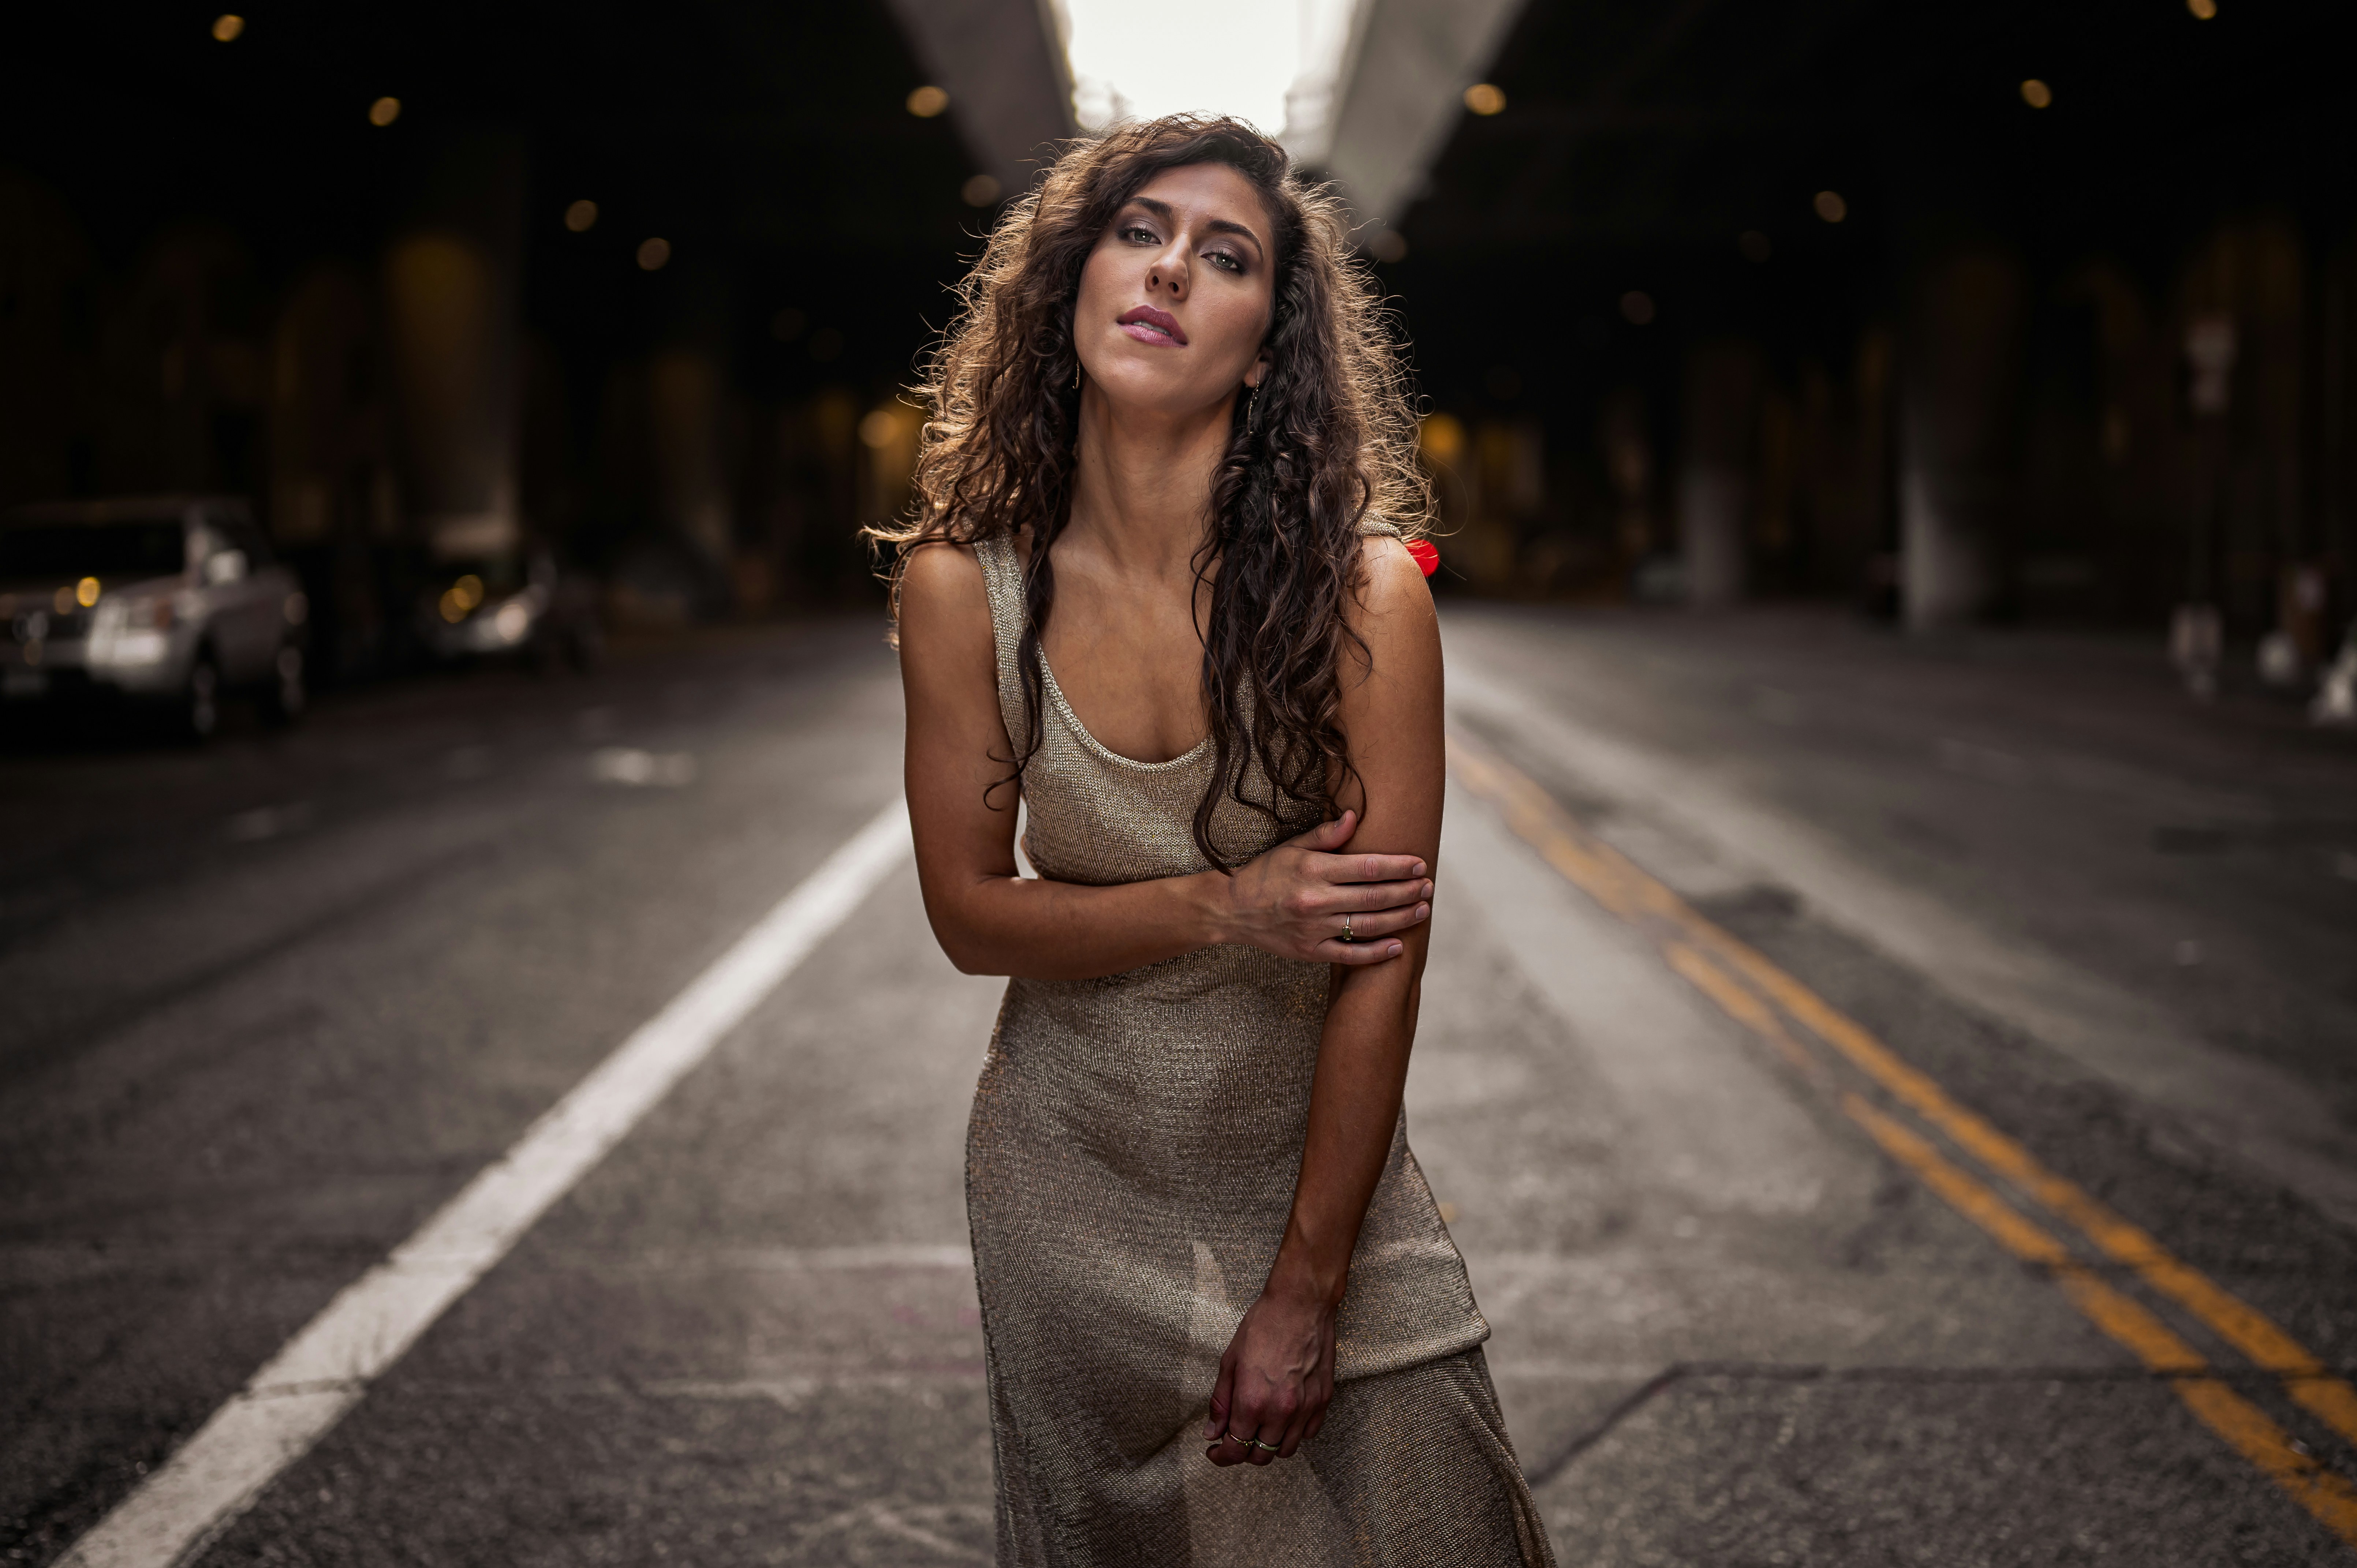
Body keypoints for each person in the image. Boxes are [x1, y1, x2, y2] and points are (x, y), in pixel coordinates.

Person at [878, 115, 1556, 1565]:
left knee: (1435, 1529)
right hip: (1063, 1178)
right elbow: (967, 916)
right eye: (1138, 232)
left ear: (1264, 349)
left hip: (1314, 1174)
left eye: (1224, 253)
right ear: (1069, 286)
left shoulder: (1363, 597)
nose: (1170, 267)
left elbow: (1384, 952)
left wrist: (1307, 1290)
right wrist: (1230, 907)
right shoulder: (963, 590)